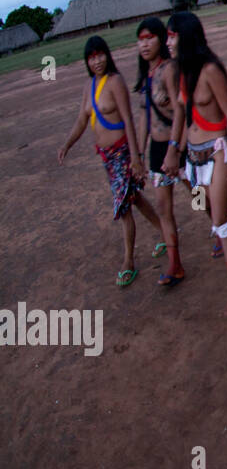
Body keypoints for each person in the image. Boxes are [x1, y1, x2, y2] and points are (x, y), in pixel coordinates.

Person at [167, 11, 227, 316]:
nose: (167, 42)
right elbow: (182, 116)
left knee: (220, 219)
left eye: (172, 35)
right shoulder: (180, 71)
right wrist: (175, 151)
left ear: (186, 36)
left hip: (219, 150)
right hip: (194, 157)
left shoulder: (210, 70)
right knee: (211, 215)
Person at [58, 37, 163, 287]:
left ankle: (128, 261)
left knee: (123, 206)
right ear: (87, 61)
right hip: (107, 157)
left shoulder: (115, 81)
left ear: (107, 54)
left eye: (100, 54)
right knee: (133, 198)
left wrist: (136, 157)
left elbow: (128, 117)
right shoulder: (89, 86)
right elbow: (82, 120)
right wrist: (66, 144)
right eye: (92, 57)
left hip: (122, 154)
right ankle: (165, 232)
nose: (97, 61)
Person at [134, 17, 187, 286]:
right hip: (156, 151)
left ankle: (220, 230)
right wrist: (139, 156)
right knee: (164, 209)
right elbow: (144, 119)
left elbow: (180, 110)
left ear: (160, 40)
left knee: (199, 195)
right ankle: (175, 264)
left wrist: (174, 149)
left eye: (150, 38)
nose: (144, 44)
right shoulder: (146, 76)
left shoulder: (169, 70)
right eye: (140, 40)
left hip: (178, 147)